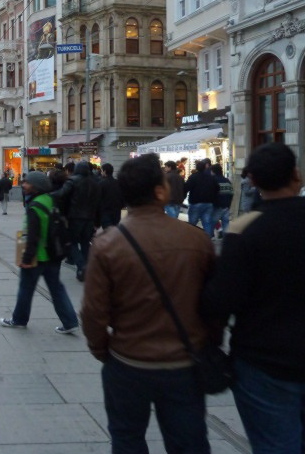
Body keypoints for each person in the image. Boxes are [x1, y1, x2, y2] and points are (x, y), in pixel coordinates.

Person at [81, 153, 217, 453]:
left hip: (128, 360)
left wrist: (104, 350)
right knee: (189, 442)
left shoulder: (106, 245)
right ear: (159, 192)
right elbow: (215, 304)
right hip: (182, 363)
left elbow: (93, 312)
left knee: (127, 438)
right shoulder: (197, 240)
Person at [202, 143, 305, 453]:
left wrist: (210, 342)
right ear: (296, 176)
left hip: (264, 359)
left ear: (254, 183)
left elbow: (222, 299)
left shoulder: (244, 230)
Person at [0, 171, 79, 333]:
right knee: (57, 288)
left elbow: (33, 235)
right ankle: (70, 321)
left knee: (26, 288)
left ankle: (19, 319)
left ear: (36, 186)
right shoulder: (51, 200)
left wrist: (27, 258)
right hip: (53, 253)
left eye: (27, 183)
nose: (23, 185)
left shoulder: (35, 206)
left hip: (38, 255)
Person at [52, 162, 101, 282]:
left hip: (75, 217)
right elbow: (99, 203)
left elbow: (61, 194)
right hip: (90, 218)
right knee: (85, 243)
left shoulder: (73, 180)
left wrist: (47, 194)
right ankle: (87, 268)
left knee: (72, 243)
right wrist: (97, 221)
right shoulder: (95, 183)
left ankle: (81, 266)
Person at [184, 159, 219, 237]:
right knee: (207, 222)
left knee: (192, 223)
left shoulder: (193, 177)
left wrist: (183, 195)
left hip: (195, 202)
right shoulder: (211, 177)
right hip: (209, 203)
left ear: (196, 168)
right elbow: (217, 188)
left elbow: (186, 187)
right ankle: (208, 239)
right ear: (205, 167)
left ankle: (192, 238)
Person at [98, 163, 124, 228]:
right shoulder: (118, 183)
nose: (101, 172)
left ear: (104, 171)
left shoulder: (101, 184)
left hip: (105, 212)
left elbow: (98, 199)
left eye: (101, 170)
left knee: (107, 231)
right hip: (117, 211)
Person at [211, 163, 233, 238]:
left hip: (217, 205)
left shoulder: (213, 180)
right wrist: (228, 204)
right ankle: (226, 239)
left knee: (212, 222)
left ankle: (210, 237)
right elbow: (231, 193)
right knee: (226, 222)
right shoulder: (227, 181)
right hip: (226, 205)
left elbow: (211, 193)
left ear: (213, 171)